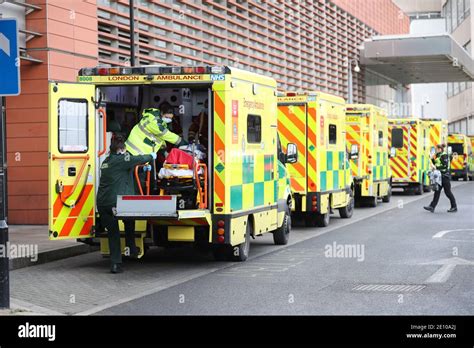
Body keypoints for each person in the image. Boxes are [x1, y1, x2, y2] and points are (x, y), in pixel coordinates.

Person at [97, 135, 156, 273]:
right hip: (115, 203)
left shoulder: (106, 162)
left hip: (102, 203)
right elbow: (137, 159)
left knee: (114, 233)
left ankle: (116, 263)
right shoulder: (122, 159)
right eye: (125, 151)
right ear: (121, 150)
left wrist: (141, 170)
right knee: (129, 219)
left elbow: (124, 171)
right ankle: (131, 247)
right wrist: (151, 156)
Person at [424, 144, 457, 213]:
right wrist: (432, 159)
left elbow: (445, 166)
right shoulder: (439, 155)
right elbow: (436, 163)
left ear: (440, 149)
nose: (436, 150)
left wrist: (436, 168)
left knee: (448, 193)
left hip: (445, 177)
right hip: (440, 176)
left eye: (437, 149)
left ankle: (454, 207)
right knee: (437, 191)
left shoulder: (444, 155)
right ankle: (432, 207)